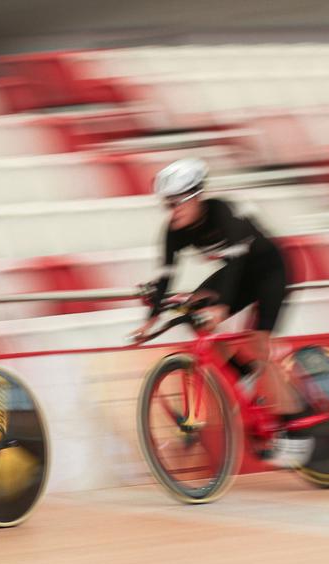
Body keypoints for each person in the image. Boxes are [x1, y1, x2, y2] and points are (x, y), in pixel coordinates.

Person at [132, 157, 312, 467]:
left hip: (270, 270)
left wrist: (221, 307)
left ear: (195, 196)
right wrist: (149, 321)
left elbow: (235, 267)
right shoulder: (173, 230)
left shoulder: (223, 213)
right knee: (193, 313)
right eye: (167, 204)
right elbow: (165, 275)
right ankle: (244, 374)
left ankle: (297, 429)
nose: (172, 211)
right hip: (238, 274)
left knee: (258, 344)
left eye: (177, 203)